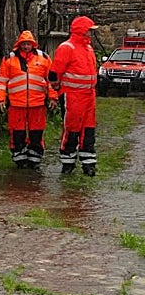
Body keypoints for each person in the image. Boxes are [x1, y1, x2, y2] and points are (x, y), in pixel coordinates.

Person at [0, 30, 58, 169]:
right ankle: (19, 159)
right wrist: (1, 99)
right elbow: (1, 82)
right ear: (19, 44)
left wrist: (53, 98)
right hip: (16, 104)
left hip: (38, 104)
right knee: (17, 133)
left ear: (33, 44)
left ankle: (35, 159)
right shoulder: (9, 59)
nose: (26, 47)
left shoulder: (44, 58)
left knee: (37, 133)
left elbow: (51, 81)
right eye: (23, 44)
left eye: (28, 44)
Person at [48, 15, 99, 176]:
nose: (91, 34)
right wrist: (57, 90)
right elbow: (54, 73)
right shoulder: (67, 47)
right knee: (72, 129)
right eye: (89, 31)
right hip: (72, 96)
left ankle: (88, 163)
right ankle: (68, 163)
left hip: (89, 95)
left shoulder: (88, 48)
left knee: (88, 129)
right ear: (82, 31)